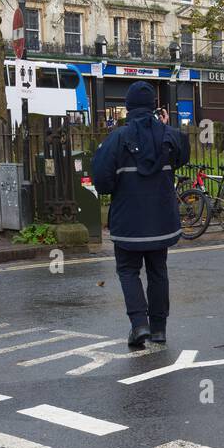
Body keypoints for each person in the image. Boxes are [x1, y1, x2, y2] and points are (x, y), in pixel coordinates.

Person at [91, 80, 190, 349]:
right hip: (161, 219)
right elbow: (184, 156)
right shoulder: (170, 136)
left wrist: (116, 186)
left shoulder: (117, 139)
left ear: (129, 107)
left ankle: (139, 325)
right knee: (158, 270)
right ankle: (159, 328)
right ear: (153, 107)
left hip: (129, 221)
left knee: (128, 270)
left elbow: (101, 179)